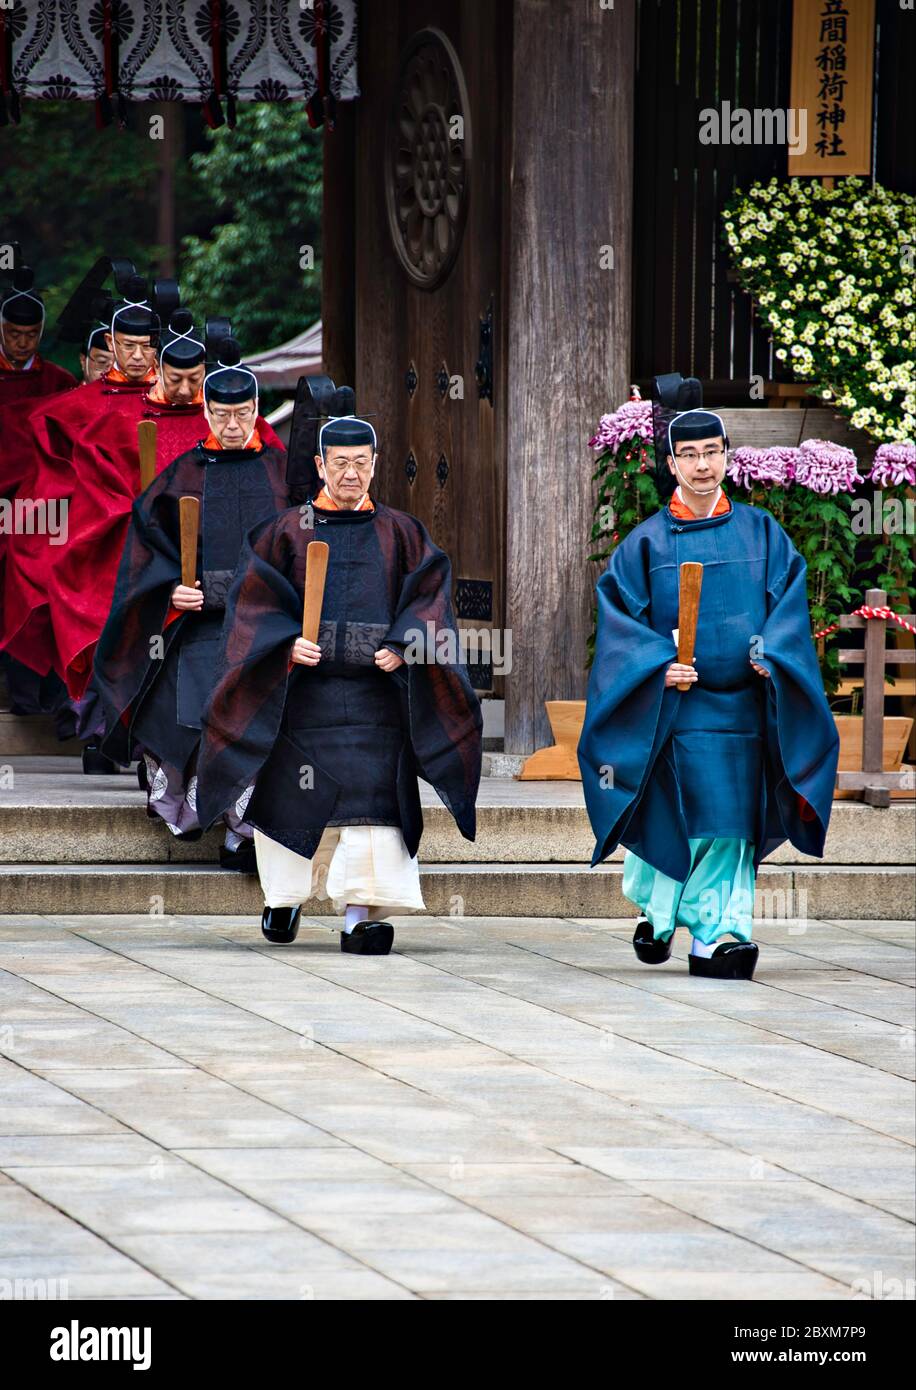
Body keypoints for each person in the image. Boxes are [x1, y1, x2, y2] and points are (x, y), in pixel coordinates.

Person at [195, 388, 483, 954]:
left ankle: (360, 914)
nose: (350, 473)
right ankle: (281, 898)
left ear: (375, 466)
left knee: (376, 804)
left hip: (377, 696)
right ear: (320, 466)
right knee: (289, 798)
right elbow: (252, 606)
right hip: (303, 694)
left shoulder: (402, 532)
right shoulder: (286, 531)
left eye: (361, 463)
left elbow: (430, 597)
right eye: (339, 463)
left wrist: (404, 644)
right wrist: (282, 647)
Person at [578, 408, 839, 980]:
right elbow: (621, 628)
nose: (702, 465)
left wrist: (774, 656)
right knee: (675, 814)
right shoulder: (644, 545)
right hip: (675, 713)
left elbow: (789, 610)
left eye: (712, 452)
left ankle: (720, 936)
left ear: (727, 455)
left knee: (728, 824)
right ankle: (658, 910)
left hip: (741, 709)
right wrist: (656, 669)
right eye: (689, 455)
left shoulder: (762, 533)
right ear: (671, 463)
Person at [92, 341, 290, 868]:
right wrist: (168, 594)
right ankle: (193, 811)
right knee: (183, 704)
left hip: (265, 628)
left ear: (256, 411)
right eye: (222, 414)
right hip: (198, 623)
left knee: (261, 711)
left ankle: (243, 833)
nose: (232, 424)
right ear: (205, 410)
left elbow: (307, 551)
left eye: (243, 414)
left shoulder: (284, 474)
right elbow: (144, 552)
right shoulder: (181, 475)